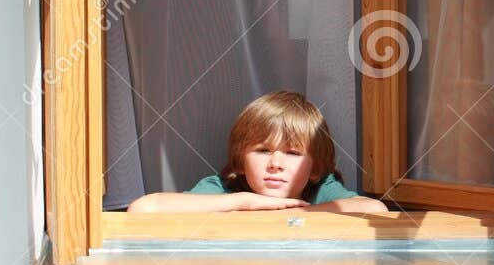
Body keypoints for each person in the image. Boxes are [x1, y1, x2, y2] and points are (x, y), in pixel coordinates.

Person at [126, 90, 389, 215]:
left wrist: (296, 214)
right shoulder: (226, 187)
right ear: (240, 161)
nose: (276, 163)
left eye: (293, 154)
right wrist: (242, 203)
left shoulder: (320, 190)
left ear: (316, 169)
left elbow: (375, 209)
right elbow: (143, 208)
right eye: (263, 151)